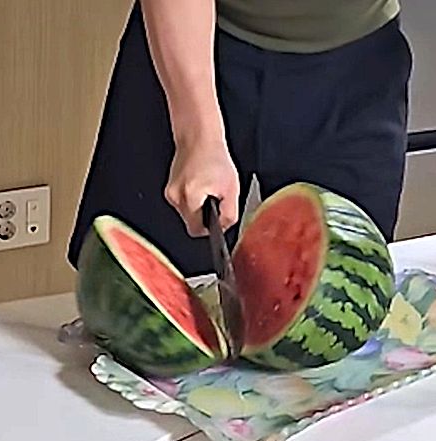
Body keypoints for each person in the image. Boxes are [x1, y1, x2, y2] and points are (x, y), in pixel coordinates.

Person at [69, 0, 413, 276]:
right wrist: (197, 137)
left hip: (357, 67)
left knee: (338, 298)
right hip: (196, 43)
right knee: (141, 302)